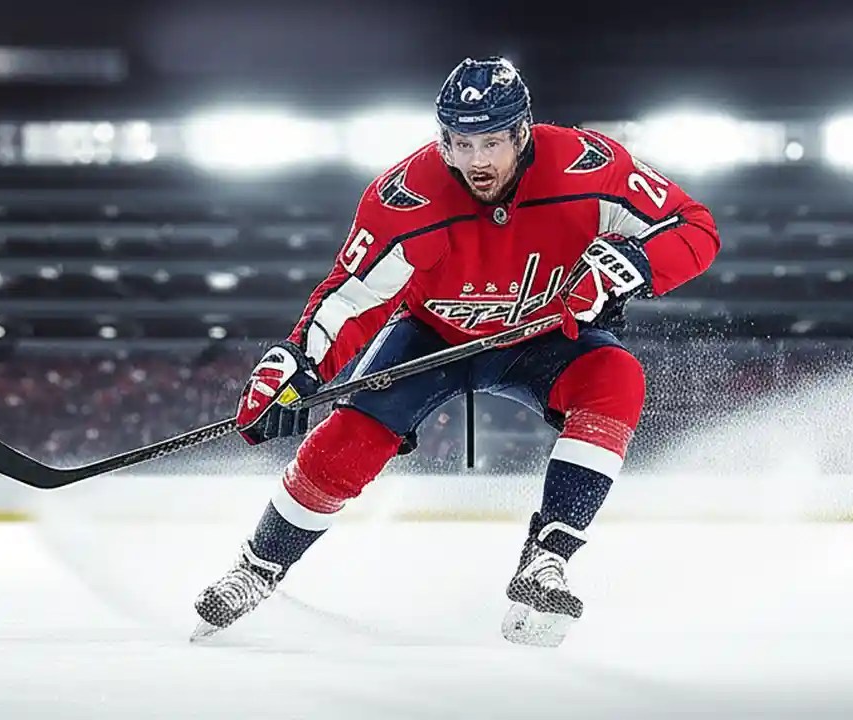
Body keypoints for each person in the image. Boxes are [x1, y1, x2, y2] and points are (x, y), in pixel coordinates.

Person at [192, 56, 720, 647]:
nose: (476, 161)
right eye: (460, 143)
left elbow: (694, 227)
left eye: (491, 141)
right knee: (349, 438)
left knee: (616, 377)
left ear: (522, 131)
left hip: (542, 334)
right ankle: (258, 566)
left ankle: (548, 555)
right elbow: (350, 297)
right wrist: (296, 360)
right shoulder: (404, 195)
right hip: (431, 336)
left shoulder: (588, 164)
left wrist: (636, 265)